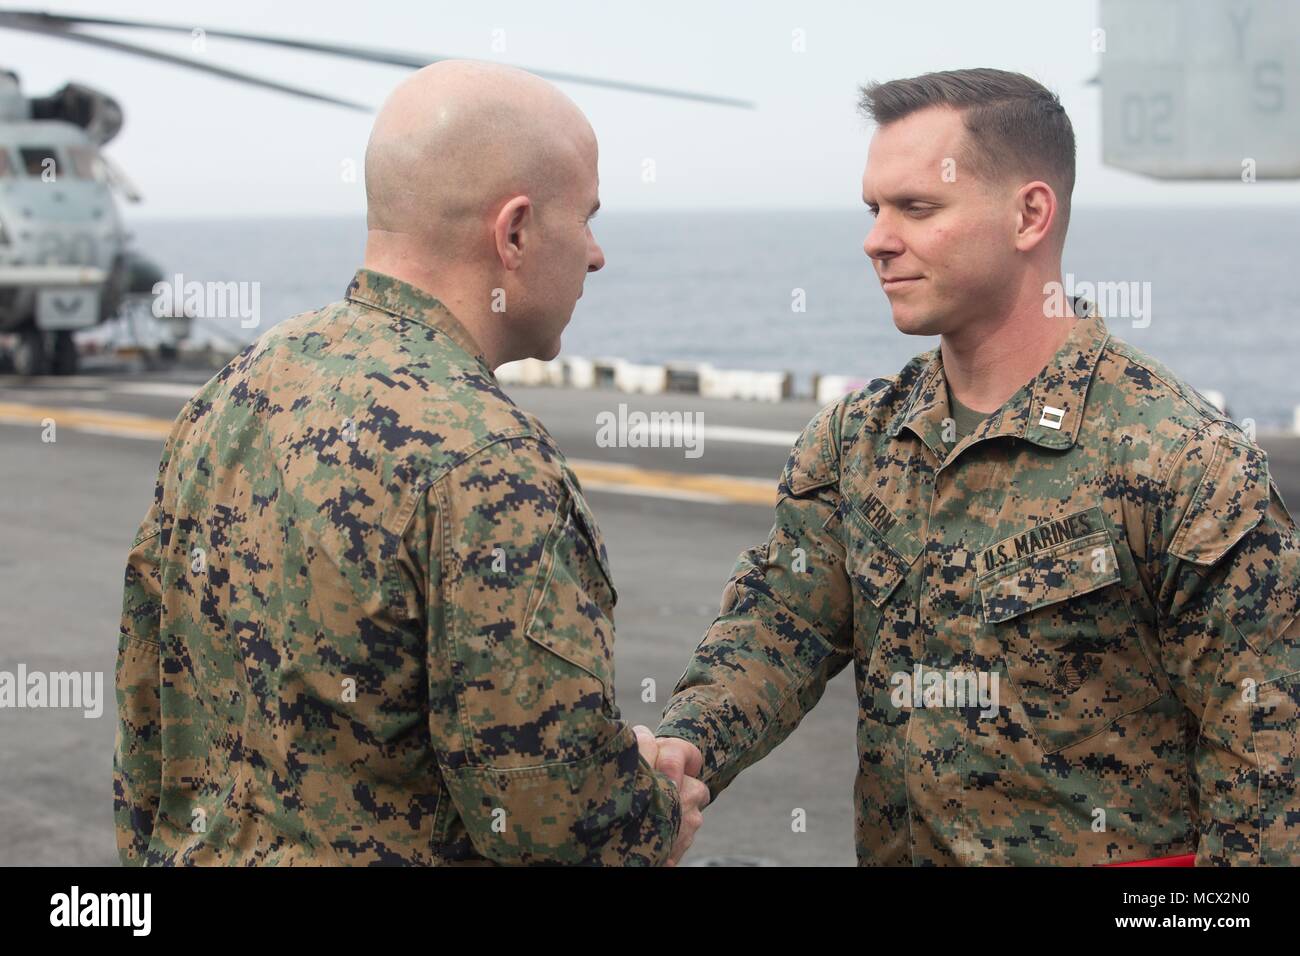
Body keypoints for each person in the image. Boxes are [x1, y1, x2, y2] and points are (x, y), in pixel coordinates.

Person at [652, 68, 1300, 866]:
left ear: (1030, 214)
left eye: (917, 208)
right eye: (874, 209)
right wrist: (685, 750)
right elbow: (780, 627)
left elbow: (1267, 784)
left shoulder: (1185, 464)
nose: (877, 239)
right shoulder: (858, 441)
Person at [114, 60, 708, 866]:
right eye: (588, 219)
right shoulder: (486, 462)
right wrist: (656, 813)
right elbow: (558, 826)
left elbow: (145, 720)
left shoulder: (231, 394)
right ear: (516, 232)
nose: (597, 255)